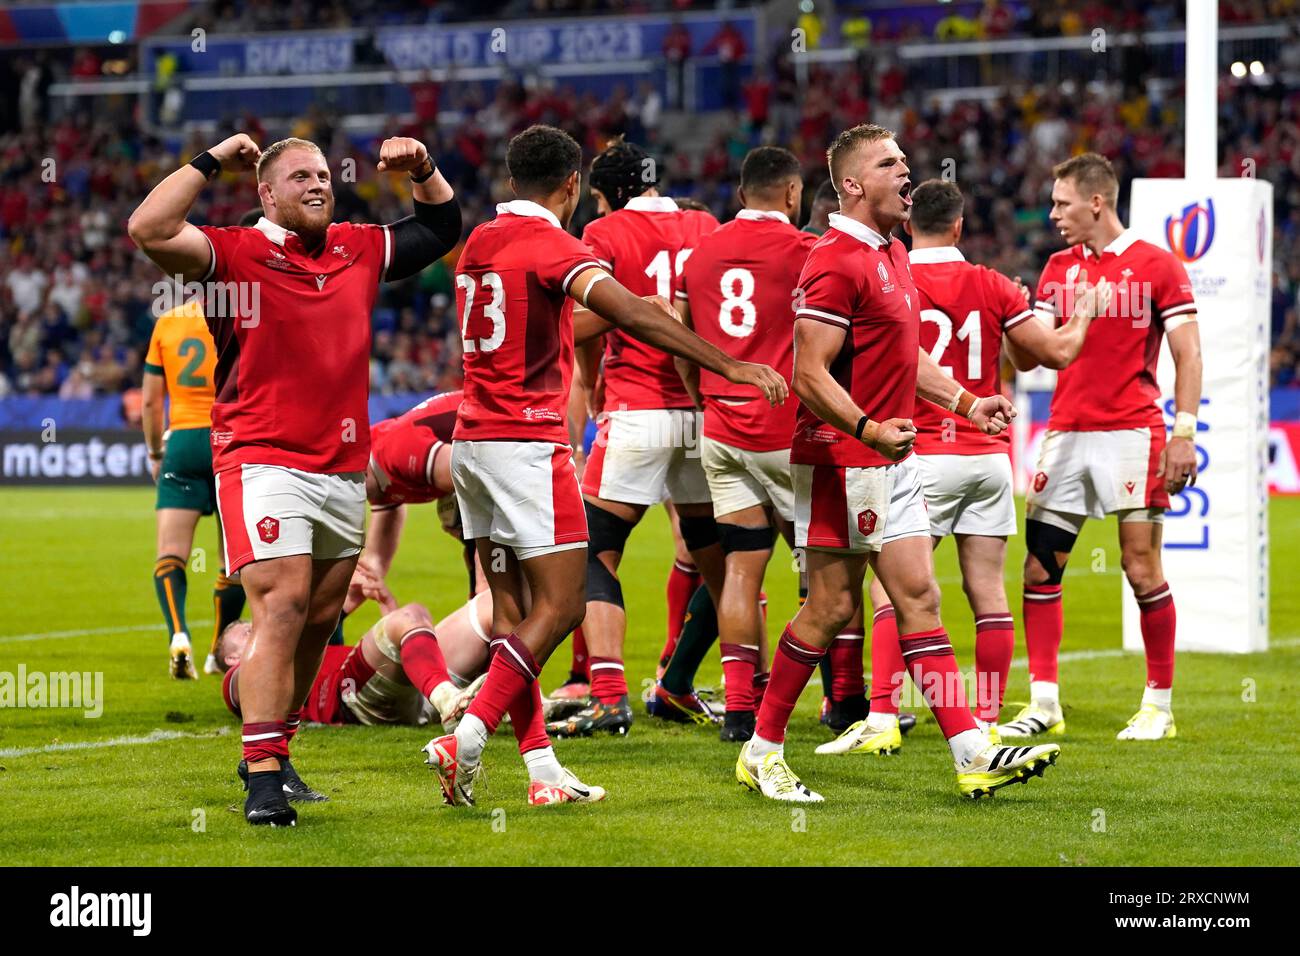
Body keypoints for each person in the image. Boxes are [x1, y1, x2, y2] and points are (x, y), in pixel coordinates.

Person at [421, 124, 786, 807]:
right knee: (561, 604)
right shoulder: (559, 245)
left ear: (510, 180)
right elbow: (635, 315)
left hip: (472, 445)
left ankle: (542, 771)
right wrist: (730, 364)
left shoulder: (480, 245)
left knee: (511, 614)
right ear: (569, 186)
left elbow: (552, 318)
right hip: (530, 445)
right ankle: (467, 735)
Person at [128, 131, 462, 825]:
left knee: (317, 620)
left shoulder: (358, 247)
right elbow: (148, 226)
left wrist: (424, 167)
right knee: (279, 607)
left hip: (342, 468)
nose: (318, 184)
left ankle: (276, 749)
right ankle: (259, 774)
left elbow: (441, 226)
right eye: (300, 177)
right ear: (267, 192)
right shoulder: (235, 253)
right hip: (260, 459)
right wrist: (211, 159)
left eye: (322, 175)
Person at [734, 124, 1060, 802]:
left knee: (918, 598)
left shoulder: (893, 254)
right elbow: (808, 372)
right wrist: (867, 427)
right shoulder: (834, 260)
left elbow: (906, 356)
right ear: (852, 184)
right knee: (827, 610)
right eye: (890, 164)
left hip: (891, 458)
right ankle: (763, 750)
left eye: (906, 161)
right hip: (841, 460)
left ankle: (972, 751)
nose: (907, 173)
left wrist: (967, 402)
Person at [823, 178, 1108, 758]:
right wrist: (1080, 316)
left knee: (890, 591)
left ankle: (883, 714)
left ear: (908, 224)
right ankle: (985, 721)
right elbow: (1049, 353)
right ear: (959, 226)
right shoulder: (992, 283)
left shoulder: (892, 275)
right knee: (988, 592)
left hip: (917, 453)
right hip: (985, 455)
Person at [1003, 152, 1200, 742]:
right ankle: (1044, 702)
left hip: (1133, 432)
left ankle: (1159, 707)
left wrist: (1184, 433)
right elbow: (1031, 357)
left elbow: (1188, 353)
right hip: (1066, 432)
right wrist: (1013, 322)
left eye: (1062, 203)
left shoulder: (1158, 265)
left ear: (1096, 202)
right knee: (1040, 567)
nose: (1053, 213)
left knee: (1141, 568)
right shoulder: (1058, 268)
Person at [552, 138, 726, 738]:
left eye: (598, 199)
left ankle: (607, 696)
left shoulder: (604, 236)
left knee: (591, 550)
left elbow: (584, 330)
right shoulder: (707, 225)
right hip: (703, 415)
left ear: (611, 194)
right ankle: (697, 685)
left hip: (638, 409)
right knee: (722, 561)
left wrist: (595, 388)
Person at [664, 146, 816, 742]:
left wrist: (703, 394)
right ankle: (848, 701)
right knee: (823, 574)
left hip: (722, 430)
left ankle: (736, 710)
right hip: (787, 428)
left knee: (740, 571)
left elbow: (679, 341)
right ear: (791, 193)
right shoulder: (807, 253)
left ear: (741, 193)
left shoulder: (698, 255)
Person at [142, 209, 261, 680]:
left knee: (170, 553)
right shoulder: (241, 316)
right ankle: (217, 649)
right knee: (232, 559)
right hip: (230, 436)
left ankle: (178, 635)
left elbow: (151, 403)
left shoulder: (169, 324)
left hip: (184, 440)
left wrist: (155, 452)